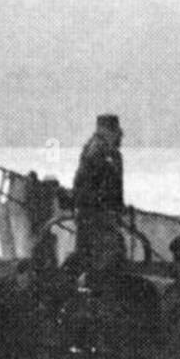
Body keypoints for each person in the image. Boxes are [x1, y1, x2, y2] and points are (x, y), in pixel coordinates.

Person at [71, 113, 126, 273]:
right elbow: (89, 188)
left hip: (96, 218)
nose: (119, 137)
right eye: (116, 132)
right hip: (96, 220)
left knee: (97, 260)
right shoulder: (98, 153)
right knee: (100, 263)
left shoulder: (105, 152)